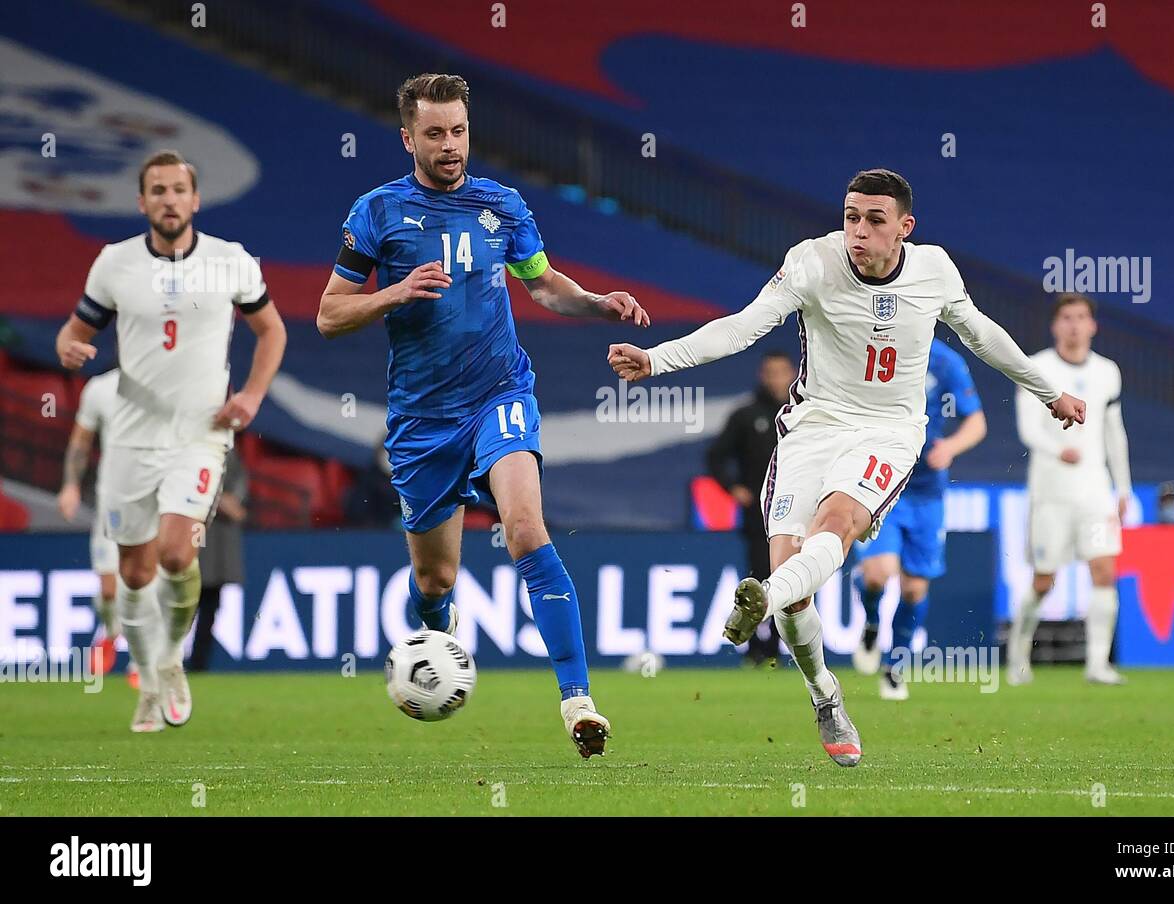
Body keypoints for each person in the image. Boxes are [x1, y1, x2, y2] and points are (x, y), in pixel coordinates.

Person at [608, 169, 1084, 766]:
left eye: (874, 220)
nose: (858, 230)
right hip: (812, 427)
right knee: (794, 597)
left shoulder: (934, 271)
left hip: (888, 433)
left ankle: (761, 598)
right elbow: (744, 327)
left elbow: (983, 335)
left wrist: (1048, 392)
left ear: (905, 227)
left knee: (836, 523)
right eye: (851, 216)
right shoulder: (812, 262)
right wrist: (657, 360)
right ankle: (824, 691)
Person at [316, 73, 650, 758]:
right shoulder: (377, 213)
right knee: (434, 580)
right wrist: (393, 294)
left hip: (500, 394)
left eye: (459, 131)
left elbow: (543, 285)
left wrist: (597, 303)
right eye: (435, 133)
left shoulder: (502, 205)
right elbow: (328, 314)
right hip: (421, 419)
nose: (450, 145)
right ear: (408, 138)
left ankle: (578, 702)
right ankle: (438, 628)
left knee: (525, 529)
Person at [55, 149, 287, 732]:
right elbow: (73, 331)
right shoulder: (114, 263)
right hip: (130, 441)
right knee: (135, 575)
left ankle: (170, 661)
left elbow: (271, 331)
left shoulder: (230, 261)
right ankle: (148, 673)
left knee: (178, 554)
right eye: (157, 190)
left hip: (199, 435)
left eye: (178, 189)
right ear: (142, 202)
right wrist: (69, 348)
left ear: (195, 199)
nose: (169, 199)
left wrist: (252, 395)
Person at [849, 337, 986, 700]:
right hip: (882, 481)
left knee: (914, 589)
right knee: (878, 573)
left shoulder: (946, 361)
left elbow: (977, 421)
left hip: (927, 491)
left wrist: (951, 446)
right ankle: (871, 622)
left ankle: (895, 667)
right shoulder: (877, 348)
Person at [1007, 293, 1131, 686]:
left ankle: (1097, 664)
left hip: (1095, 490)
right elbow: (1028, 428)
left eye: (1081, 317)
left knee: (1104, 570)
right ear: (1055, 325)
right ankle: (1018, 655)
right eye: (1067, 317)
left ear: (1093, 325)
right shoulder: (1037, 368)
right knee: (1044, 581)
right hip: (1050, 493)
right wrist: (1058, 450)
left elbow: (1114, 432)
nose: (1074, 325)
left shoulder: (1107, 371)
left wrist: (1123, 487)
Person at [707, 350, 795, 665]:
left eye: (781, 372)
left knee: (793, 577)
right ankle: (757, 645)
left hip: (798, 512)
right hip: (759, 515)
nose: (776, 379)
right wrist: (733, 487)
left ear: (792, 374)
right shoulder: (746, 415)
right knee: (760, 577)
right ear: (762, 375)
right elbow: (715, 456)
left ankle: (778, 645)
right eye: (771, 373)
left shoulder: (805, 413)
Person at [57, 366, 139, 687]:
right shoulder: (100, 388)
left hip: (153, 498)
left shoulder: (165, 383)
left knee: (143, 581)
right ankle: (112, 630)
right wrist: (70, 485)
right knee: (109, 587)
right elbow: (81, 442)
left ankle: (140, 660)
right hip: (111, 502)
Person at [190, 446, 248, 671]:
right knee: (185, 599)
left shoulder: (229, 449)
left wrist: (233, 500)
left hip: (220, 541)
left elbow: (241, 483)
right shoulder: (192, 447)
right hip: (197, 533)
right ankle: (169, 659)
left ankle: (199, 663)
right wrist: (222, 501)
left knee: (211, 604)